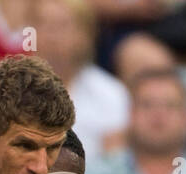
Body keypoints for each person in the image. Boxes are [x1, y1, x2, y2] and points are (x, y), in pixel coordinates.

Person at [33, 0, 128, 160]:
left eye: (61, 26)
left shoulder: (111, 93)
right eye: (42, 24)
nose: (51, 36)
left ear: (84, 35)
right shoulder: (9, 87)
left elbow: (114, 164)